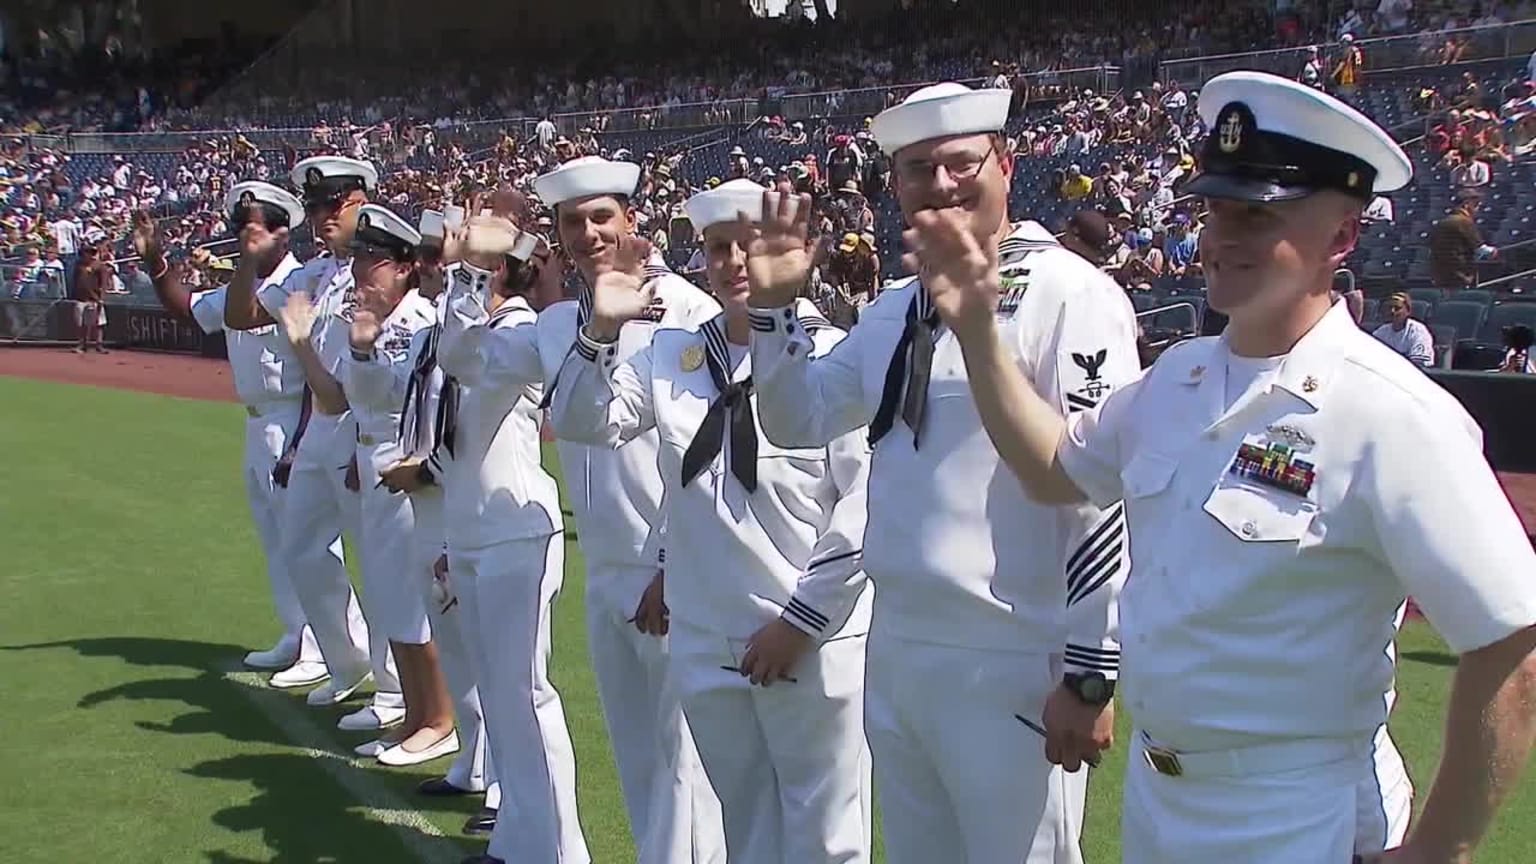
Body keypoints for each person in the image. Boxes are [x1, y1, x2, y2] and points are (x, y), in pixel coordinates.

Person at [920, 70, 1536, 863]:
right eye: (1214, 208)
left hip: (1297, 811)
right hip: (1158, 794)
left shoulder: (1390, 414)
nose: (1222, 237)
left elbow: (1510, 637)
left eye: (1258, 214)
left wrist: (1438, 852)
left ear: (1342, 237)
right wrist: (977, 332)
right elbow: (1052, 469)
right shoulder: (1177, 380)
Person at [745, 83, 1139, 864]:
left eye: (960, 163)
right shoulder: (893, 308)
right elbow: (799, 420)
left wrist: (1092, 671)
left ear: (1005, 162)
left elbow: (1102, 490)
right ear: (894, 186)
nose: (941, 184)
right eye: (918, 169)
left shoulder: (1071, 293)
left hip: (1015, 657)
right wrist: (774, 314)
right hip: (900, 650)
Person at [551, 178, 873, 864]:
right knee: (746, 829)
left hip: (807, 635)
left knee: (825, 838)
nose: (733, 263)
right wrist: (600, 333)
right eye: (718, 247)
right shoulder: (674, 354)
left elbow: (863, 509)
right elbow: (583, 422)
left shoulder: (836, 352)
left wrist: (803, 622)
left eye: (748, 246)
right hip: (705, 636)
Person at [439, 156, 723, 864]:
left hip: (672, 568)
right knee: (636, 757)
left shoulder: (688, 311)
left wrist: (673, 562)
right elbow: (464, 358)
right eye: (573, 222)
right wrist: (473, 271)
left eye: (602, 217)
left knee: (686, 765)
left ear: (632, 219)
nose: (590, 232)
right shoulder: (560, 320)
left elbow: (706, 455)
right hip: (604, 569)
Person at [130, 184, 330, 687]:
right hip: (257, 422)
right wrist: (156, 258)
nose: (246, 237)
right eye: (241, 229)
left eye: (256, 228)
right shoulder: (243, 285)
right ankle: (296, 633)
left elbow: (315, 370)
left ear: (283, 232)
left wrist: (301, 441)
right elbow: (188, 308)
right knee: (276, 540)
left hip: (295, 418)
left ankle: (325, 647)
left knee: (310, 541)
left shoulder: (302, 283)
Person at [224, 156, 397, 730]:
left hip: (367, 422)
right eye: (316, 207)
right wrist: (249, 263)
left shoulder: (384, 267)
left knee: (378, 563)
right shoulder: (317, 275)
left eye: (332, 205)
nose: (321, 217)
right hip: (321, 425)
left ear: (361, 202)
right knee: (299, 546)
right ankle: (348, 663)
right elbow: (244, 314)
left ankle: (395, 689)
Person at [385, 209, 501, 833]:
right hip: (430, 505)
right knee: (455, 646)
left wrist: (424, 471)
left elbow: (480, 428)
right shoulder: (430, 331)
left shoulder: (486, 330)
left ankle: (505, 790)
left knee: (491, 656)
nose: (432, 265)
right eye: (429, 255)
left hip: (466, 504)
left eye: (443, 254)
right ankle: (474, 762)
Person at [339, 203, 459, 764]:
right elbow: (361, 400)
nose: (364, 270)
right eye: (360, 258)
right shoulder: (380, 322)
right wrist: (361, 345)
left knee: (412, 604)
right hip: (373, 461)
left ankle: (436, 718)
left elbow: (396, 401)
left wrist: (366, 348)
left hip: (405, 467)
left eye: (376, 261)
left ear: (406, 267)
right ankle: (413, 714)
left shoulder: (418, 324)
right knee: (389, 597)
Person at [1371, 292, 1433, 367]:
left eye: (1397, 308)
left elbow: (1419, 362)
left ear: (1408, 311)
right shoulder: (1381, 331)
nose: (1392, 311)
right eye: (1389, 308)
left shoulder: (1418, 331)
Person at [72, 237, 108, 354]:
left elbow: (103, 283)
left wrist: (101, 298)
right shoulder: (79, 265)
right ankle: (82, 344)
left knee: (98, 323)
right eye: (86, 253)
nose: (88, 255)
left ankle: (99, 344)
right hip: (81, 298)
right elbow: (75, 280)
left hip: (95, 298)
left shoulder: (99, 266)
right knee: (81, 323)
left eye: (91, 252)